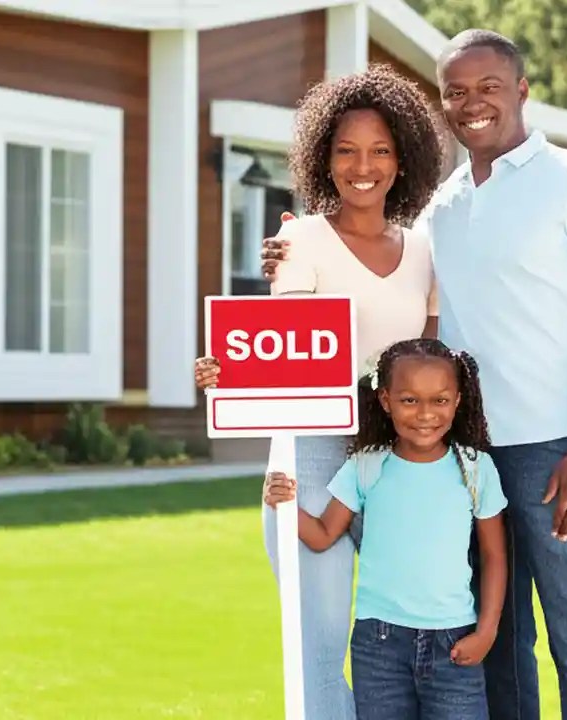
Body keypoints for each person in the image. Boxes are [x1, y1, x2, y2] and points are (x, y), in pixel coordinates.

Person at [258, 30, 567, 720]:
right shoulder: (441, 208)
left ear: (523, 90)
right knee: (494, 647)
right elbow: (387, 296)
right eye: (456, 91)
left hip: (556, 453)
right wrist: (293, 253)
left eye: (490, 87)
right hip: (460, 458)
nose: (472, 103)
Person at [194, 65, 449, 719]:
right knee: (319, 648)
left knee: (414, 649)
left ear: (404, 159)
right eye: (345, 151)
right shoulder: (300, 240)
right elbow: (278, 353)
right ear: (321, 159)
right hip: (312, 460)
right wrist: (227, 371)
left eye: (380, 150)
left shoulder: (424, 250)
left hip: (396, 466)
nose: (362, 167)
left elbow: (430, 362)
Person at [263, 338, 508, 720]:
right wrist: (285, 503)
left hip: (455, 642)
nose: (425, 414)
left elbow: (494, 556)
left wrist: (487, 631)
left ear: (458, 400)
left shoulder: (476, 468)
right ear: (385, 400)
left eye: (439, 400)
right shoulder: (366, 466)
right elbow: (323, 534)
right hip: (378, 645)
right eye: (409, 400)